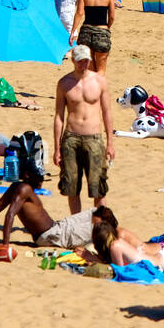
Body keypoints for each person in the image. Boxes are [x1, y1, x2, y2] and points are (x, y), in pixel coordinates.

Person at [53, 44, 113, 214]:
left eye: (86, 61)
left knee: (98, 187)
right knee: (71, 186)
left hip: (94, 138)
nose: (83, 64)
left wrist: (110, 143)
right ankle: (77, 226)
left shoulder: (99, 81)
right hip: (71, 138)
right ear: (73, 60)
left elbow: (107, 112)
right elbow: (59, 117)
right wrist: (57, 148)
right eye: (80, 61)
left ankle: (100, 227)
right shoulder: (64, 83)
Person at [70, 0, 114, 74]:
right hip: (101, 32)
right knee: (101, 70)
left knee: (88, 69)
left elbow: (79, 13)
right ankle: (98, 90)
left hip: (86, 32)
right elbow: (112, 17)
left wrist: (72, 32)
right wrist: (107, 27)